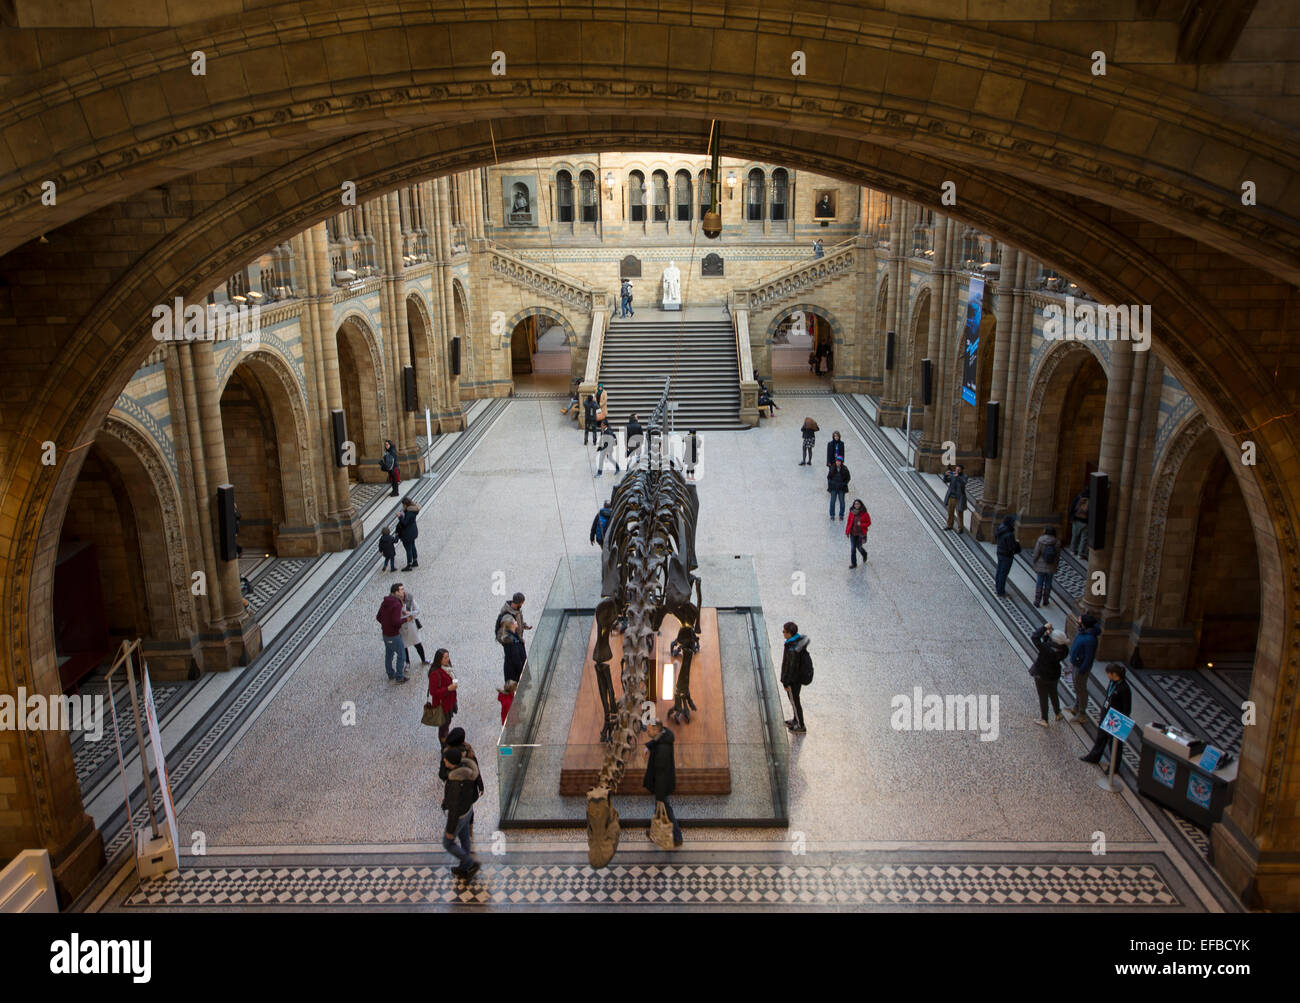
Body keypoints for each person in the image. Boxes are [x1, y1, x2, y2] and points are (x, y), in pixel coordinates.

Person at [1079, 663, 1132, 771]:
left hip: (1116, 719)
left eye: (1108, 673)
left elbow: (1127, 708)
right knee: (1101, 737)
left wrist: (1122, 723)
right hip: (1107, 714)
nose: (1107, 675)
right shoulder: (1112, 682)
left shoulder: (1124, 688)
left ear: (1114, 674)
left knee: (1114, 744)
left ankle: (1114, 767)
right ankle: (1094, 756)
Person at [441, 746, 480, 879]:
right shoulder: (468, 772)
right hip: (468, 810)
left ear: (451, 762)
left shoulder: (455, 781)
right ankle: (464, 867)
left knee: (448, 843)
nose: (444, 762)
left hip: (460, 815)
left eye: (445, 760)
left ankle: (469, 863)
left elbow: (453, 808)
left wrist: (450, 831)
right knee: (464, 838)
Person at [642, 720, 682, 847]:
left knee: (666, 809)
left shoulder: (662, 750)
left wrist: (659, 795)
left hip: (662, 786)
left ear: (656, 730)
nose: (647, 731)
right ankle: (655, 831)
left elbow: (661, 774)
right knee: (659, 809)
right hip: (662, 784)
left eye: (649, 730)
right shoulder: (663, 736)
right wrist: (648, 745)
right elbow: (656, 740)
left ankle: (677, 837)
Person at [1028, 623, 1068, 727]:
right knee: (1053, 693)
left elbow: (1035, 637)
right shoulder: (1064, 650)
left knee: (1043, 697)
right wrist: (1046, 636)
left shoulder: (1046, 649)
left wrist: (1044, 627)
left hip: (1042, 675)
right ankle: (1057, 712)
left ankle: (1044, 719)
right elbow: (1051, 646)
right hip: (1054, 675)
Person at [779, 621, 812, 733]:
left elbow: (790, 667)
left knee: (795, 701)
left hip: (793, 681)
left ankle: (801, 725)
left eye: (784, 631)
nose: (783, 633)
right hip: (797, 679)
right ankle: (795, 720)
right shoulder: (797, 643)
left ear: (790, 633)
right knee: (794, 700)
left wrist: (786, 682)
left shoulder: (792, 649)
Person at [1067, 614, 1101, 718]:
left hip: (1081, 667)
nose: (1078, 622)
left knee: (1081, 689)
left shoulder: (1090, 639)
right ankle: (1076, 706)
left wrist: (1081, 670)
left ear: (1085, 624)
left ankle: (1082, 713)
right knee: (1077, 687)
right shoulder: (1083, 631)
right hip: (1076, 664)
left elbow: (1089, 657)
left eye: (1080, 621)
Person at [376, 583, 408, 683]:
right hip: (393, 635)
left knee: (389, 654)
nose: (403, 591)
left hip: (385, 634)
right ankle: (399, 677)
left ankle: (390, 673)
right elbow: (396, 622)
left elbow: (378, 617)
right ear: (396, 592)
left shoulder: (386, 601)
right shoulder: (397, 604)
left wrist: (386, 625)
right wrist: (406, 619)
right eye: (401, 590)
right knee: (401, 655)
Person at [497, 592, 532, 683]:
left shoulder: (517, 611)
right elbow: (516, 662)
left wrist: (524, 626)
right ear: (519, 602)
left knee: (520, 661)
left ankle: (523, 682)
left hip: (517, 640)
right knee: (515, 663)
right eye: (522, 603)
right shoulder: (508, 615)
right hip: (513, 642)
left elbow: (519, 622)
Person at [426, 647, 457, 742]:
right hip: (442, 705)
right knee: (443, 727)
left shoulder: (447, 668)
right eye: (445, 658)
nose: (448, 659)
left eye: (448, 657)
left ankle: (446, 737)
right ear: (439, 659)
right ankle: (443, 744)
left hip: (449, 702)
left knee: (447, 723)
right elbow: (433, 692)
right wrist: (448, 688)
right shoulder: (435, 674)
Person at [1031, 525, 1062, 608]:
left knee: (1039, 583)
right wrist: (1056, 566)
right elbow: (1057, 556)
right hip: (1051, 567)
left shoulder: (1040, 540)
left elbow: (1036, 553)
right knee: (1048, 583)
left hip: (1040, 566)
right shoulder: (1057, 542)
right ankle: (1046, 600)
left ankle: (1037, 600)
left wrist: (1034, 561)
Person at [401, 584, 427, 668]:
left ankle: (423, 659)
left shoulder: (409, 598)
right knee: (404, 646)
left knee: (417, 643)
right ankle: (407, 662)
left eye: (403, 589)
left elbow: (417, 610)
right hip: (401, 627)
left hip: (411, 625)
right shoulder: (395, 602)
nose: (402, 591)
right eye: (400, 589)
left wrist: (410, 614)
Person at [993, 514, 1020, 596]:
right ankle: (1000, 591)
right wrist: (1017, 543)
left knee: (999, 571)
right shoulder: (1009, 534)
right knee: (1003, 573)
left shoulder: (1000, 528)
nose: (1014, 523)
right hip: (1006, 555)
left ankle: (998, 587)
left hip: (1000, 552)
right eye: (1013, 522)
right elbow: (1011, 547)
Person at [396, 496, 420, 571]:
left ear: (406, 505)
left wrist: (400, 517)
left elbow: (405, 523)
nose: (402, 506)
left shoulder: (409, 512)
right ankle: (415, 560)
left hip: (407, 533)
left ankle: (409, 564)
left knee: (408, 549)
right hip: (413, 531)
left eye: (403, 505)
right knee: (412, 545)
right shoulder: (413, 510)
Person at [942, 464, 967, 533]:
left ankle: (960, 528)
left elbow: (963, 483)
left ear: (962, 470)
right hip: (951, 497)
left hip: (959, 498)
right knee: (950, 512)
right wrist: (946, 475)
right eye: (956, 469)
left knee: (959, 513)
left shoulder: (964, 476)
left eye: (958, 470)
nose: (957, 471)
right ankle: (949, 525)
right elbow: (945, 480)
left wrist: (958, 477)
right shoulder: (953, 475)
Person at [846, 498, 871, 568]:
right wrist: (847, 532)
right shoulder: (851, 512)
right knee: (853, 548)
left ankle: (864, 554)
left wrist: (862, 524)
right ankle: (854, 564)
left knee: (859, 547)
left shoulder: (865, 513)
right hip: (852, 533)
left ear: (861, 505)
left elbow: (869, 522)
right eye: (855, 504)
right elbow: (849, 522)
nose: (856, 505)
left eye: (858, 504)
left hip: (861, 533)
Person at [1069, 488, 1090, 559]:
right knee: (1084, 538)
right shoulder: (1091, 500)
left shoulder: (1078, 498)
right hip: (1085, 522)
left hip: (1076, 520)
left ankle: (1072, 550)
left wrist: (1071, 517)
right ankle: (1080, 554)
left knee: (1075, 536)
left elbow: (1072, 507)